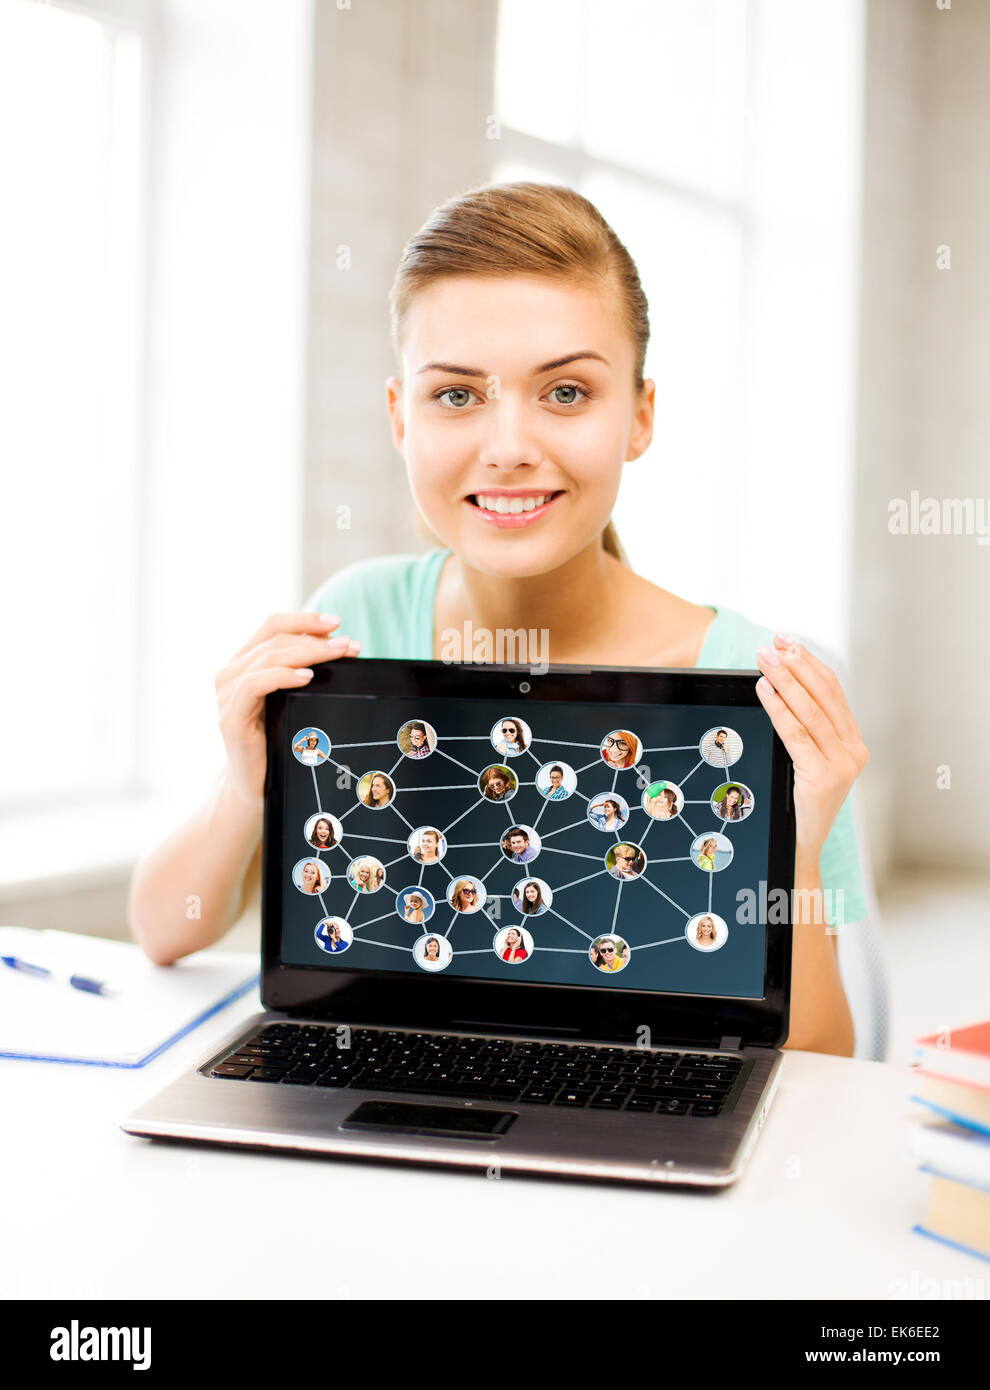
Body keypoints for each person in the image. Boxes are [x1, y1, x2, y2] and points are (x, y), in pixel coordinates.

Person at [130, 183, 869, 1057]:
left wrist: (803, 844)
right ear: (401, 418)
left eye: (565, 392)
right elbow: (164, 931)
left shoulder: (754, 679)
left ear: (639, 415)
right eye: (456, 396)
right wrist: (242, 783)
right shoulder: (353, 622)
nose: (510, 445)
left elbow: (821, 1069)